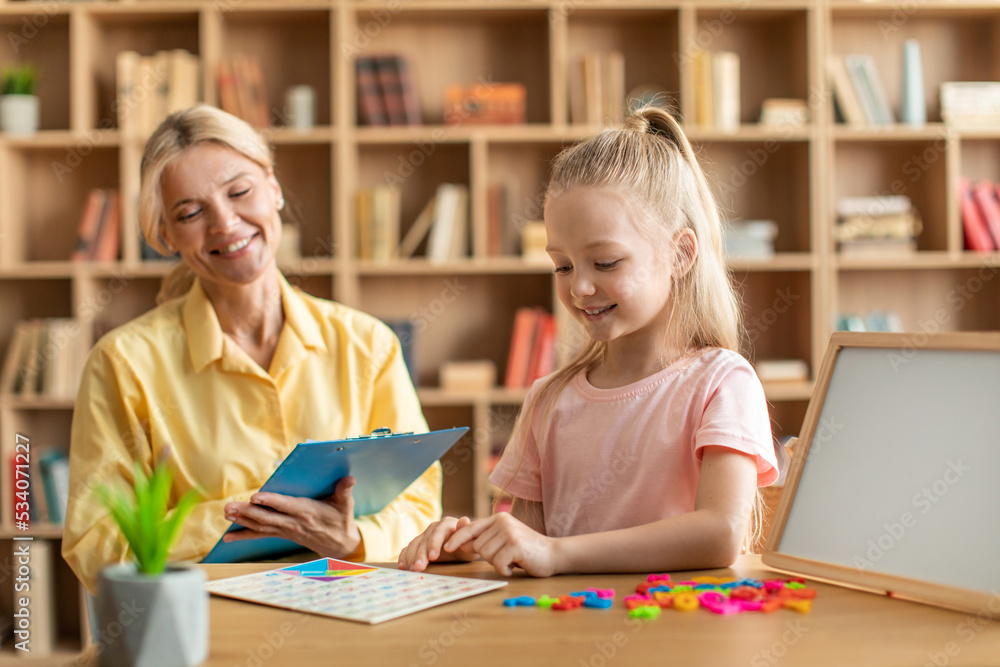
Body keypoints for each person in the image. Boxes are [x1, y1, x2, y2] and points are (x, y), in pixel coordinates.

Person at [63, 105, 441, 594]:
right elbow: (96, 545)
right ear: (166, 235)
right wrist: (246, 515)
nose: (224, 223)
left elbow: (421, 503)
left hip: (351, 619)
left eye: (239, 192)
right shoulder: (123, 363)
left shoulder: (368, 344)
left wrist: (353, 540)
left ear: (274, 189)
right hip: (203, 633)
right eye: (191, 212)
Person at [398, 106, 779, 577]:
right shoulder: (548, 399)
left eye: (605, 263)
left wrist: (558, 554)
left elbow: (720, 534)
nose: (578, 288)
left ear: (680, 253)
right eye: (562, 265)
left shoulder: (722, 382)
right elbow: (529, 546)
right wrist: (472, 544)